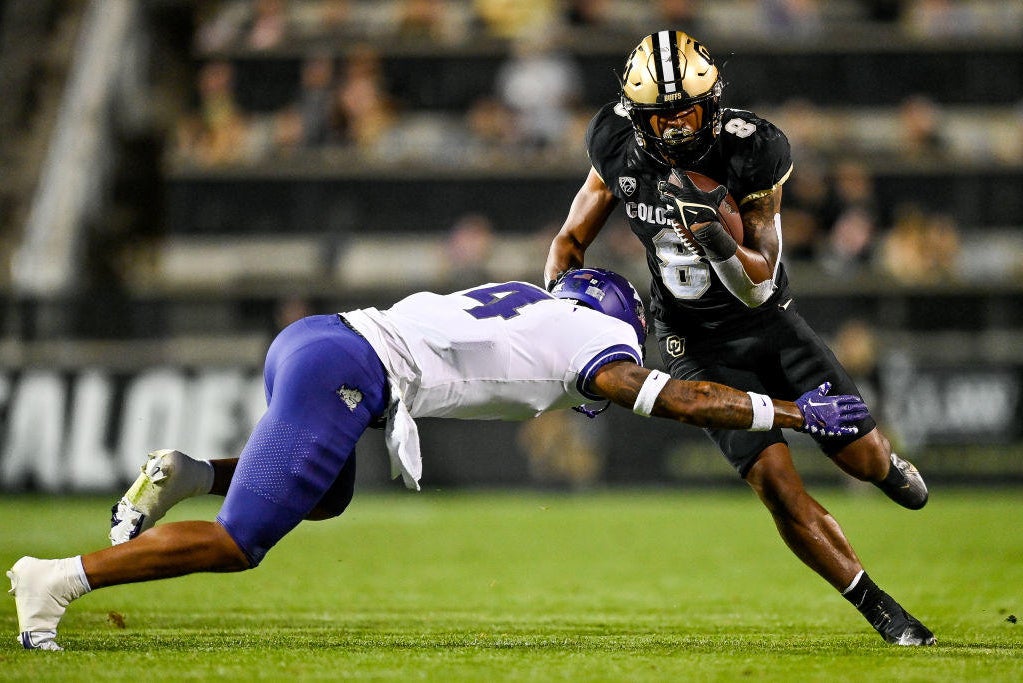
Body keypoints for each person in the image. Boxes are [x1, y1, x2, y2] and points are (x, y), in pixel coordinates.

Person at [8, 268, 867, 651]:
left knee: (329, 494)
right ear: (617, 319)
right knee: (240, 542)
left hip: (316, 341)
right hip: (348, 368)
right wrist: (792, 410)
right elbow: (674, 399)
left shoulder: (531, 301)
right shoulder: (597, 335)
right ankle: (57, 577)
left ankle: (191, 472)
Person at [542, 30, 935, 646]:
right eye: (661, 116)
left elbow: (760, 282)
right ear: (637, 116)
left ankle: (885, 467)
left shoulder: (752, 148)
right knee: (778, 486)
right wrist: (562, 318)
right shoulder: (615, 141)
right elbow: (569, 242)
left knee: (861, 458)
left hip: (766, 322)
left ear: (713, 101)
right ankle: (880, 608)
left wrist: (717, 238)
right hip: (689, 340)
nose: (675, 129)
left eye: (687, 111)